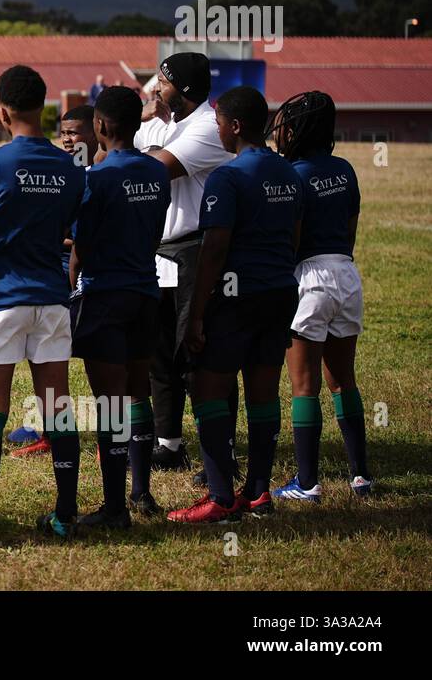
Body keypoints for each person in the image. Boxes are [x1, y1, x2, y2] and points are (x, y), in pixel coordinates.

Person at [0, 65, 85, 546]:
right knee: (58, 407)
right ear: (44, 107)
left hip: (1, 299)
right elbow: (71, 225)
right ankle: (66, 515)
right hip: (51, 298)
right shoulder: (71, 167)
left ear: (3, 110)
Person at [170, 86, 303, 523]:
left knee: (210, 389)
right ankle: (260, 494)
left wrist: (197, 315)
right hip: (281, 292)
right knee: (263, 392)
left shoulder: (229, 176)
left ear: (237, 125)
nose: (218, 130)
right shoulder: (289, 174)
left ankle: (222, 498)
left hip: (235, 296)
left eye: (220, 122)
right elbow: (295, 237)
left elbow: (213, 248)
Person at [69, 86, 170, 525]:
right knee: (138, 393)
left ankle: (113, 508)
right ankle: (141, 492)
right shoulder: (158, 173)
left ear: (101, 127)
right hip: (147, 292)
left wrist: (73, 278)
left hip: (105, 296)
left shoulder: (97, 179)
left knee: (109, 403)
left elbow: (82, 244)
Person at [267, 91, 372, 501]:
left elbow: (290, 239)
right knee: (343, 379)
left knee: (303, 385)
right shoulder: (345, 170)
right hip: (346, 272)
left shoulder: (290, 174)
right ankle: (360, 475)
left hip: (308, 276)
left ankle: (307, 482)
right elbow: (350, 230)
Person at [135, 53, 233, 473]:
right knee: (160, 357)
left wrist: (119, 156)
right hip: (163, 252)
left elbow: (156, 168)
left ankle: (221, 454)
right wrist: (140, 119)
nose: (157, 87)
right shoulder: (172, 124)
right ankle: (169, 445)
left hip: (196, 251)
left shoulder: (208, 127)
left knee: (200, 358)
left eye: (163, 81)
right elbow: (132, 141)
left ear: (185, 89)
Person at [11, 103, 102, 456]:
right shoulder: (59, 170)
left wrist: (51, 235)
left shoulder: (99, 173)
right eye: (63, 133)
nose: (67, 140)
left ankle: (108, 438)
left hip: (89, 275)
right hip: (51, 270)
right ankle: (47, 429)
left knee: (96, 358)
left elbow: (88, 235)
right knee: (46, 353)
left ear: (97, 130)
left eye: (75, 132)